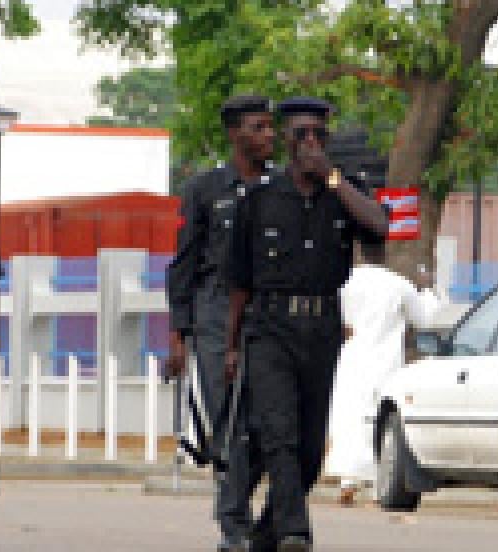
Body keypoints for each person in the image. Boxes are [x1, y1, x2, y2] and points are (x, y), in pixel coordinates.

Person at [224, 96, 389, 551]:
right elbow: (239, 280)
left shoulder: (343, 193)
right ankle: (297, 532)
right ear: (288, 142)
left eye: (319, 135)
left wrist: (334, 179)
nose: (312, 143)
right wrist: (232, 345)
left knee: (311, 452)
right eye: (302, 135)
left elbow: (380, 227)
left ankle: (264, 540)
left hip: (321, 330)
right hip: (270, 328)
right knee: (279, 434)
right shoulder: (259, 200)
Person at [165, 95, 277, 552]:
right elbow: (185, 263)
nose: (269, 135)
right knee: (228, 423)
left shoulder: (280, 188)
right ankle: (234, 528)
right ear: (235, 135)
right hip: (214, 315)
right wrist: (178, 334)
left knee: (270, 427)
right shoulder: (206, 189)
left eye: (270, 127)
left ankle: (250, 516)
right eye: (258, 127)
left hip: (266, 318)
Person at [325, 243, 444, 505]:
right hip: (385, 362)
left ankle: (348, 480)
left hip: (353, 359)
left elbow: (334, 319)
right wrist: (426, 288)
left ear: (360, 252)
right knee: (381, 421)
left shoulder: (345, 281)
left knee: (351, 419)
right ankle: (380, 480)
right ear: (384, 254)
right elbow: (424, 319)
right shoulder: (398, 285)